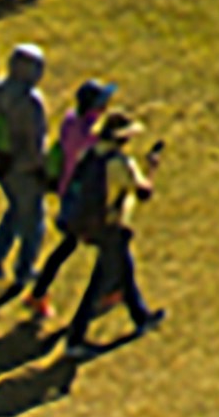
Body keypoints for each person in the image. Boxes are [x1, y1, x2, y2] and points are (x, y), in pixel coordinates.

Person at [59, 99, 162, 349]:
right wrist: (151, 169)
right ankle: (76, 338)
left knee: (124, 270)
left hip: (90, 223)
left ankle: (141, 315)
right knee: (100, 282)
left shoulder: (91, 155)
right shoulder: (120, 164)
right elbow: (142, 192)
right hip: (111, 227)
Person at [22, 81, 116, 322]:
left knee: (68, 245)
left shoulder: (71, 120)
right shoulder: (90, 135)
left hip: (67, 190)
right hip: (82, 197)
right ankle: (111, 291)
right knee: (109, 245)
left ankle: (39, 292)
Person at [0, 45, 57, 284]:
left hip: (0, 162)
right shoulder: (30, 101)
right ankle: (24, 269)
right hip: (24, 168)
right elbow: (35, 141)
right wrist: (44, 170)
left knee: (17, 209)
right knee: (34, 222)